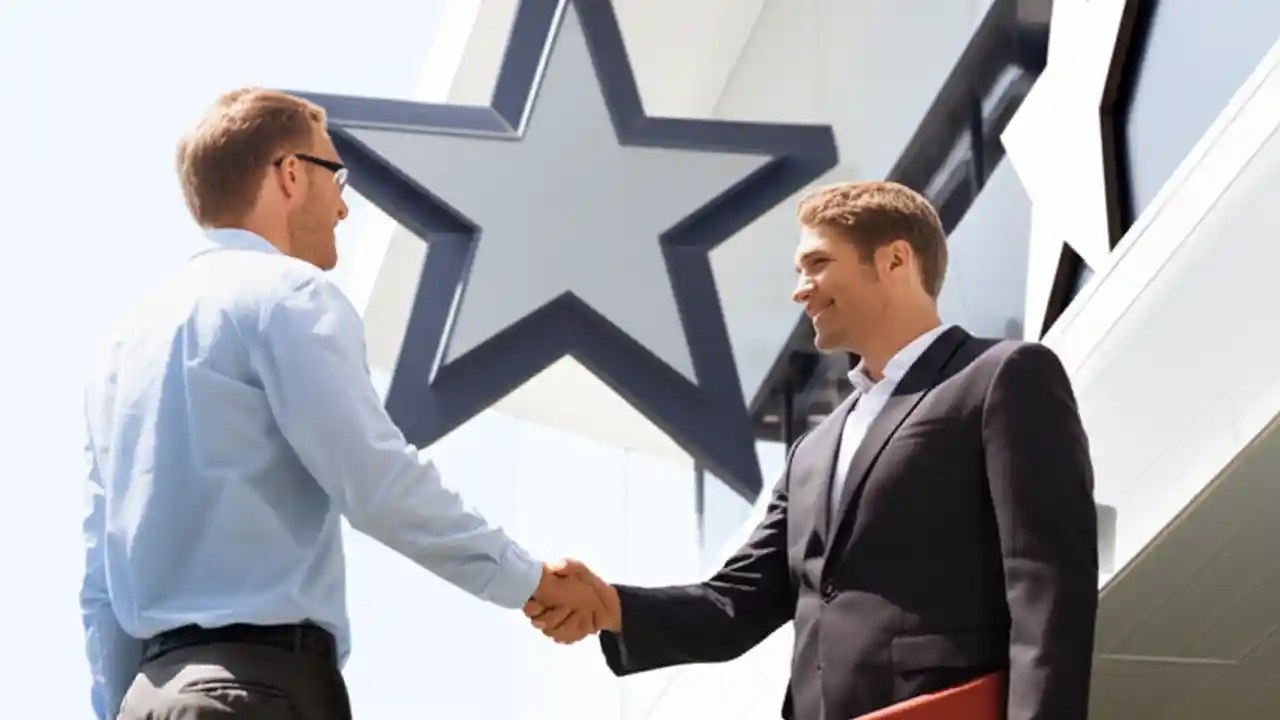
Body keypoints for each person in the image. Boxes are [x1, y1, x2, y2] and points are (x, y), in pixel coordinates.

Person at [79, 88, 601, 720]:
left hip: (149, 698)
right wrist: (530, 580)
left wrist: (115, 709)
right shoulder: (288, 294)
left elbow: (100, 585)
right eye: (336, 174)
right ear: (291, 173)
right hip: (255, 693)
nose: (345, 207)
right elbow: (375, 480)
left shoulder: (122, 345)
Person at [526, 181, 1099, 719]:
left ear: (895, 260)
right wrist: (609, 605)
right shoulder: (810, 453)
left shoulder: (1001, 376)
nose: (800, 289)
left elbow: (1047, 583)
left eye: (818, 264)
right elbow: (737, 605)